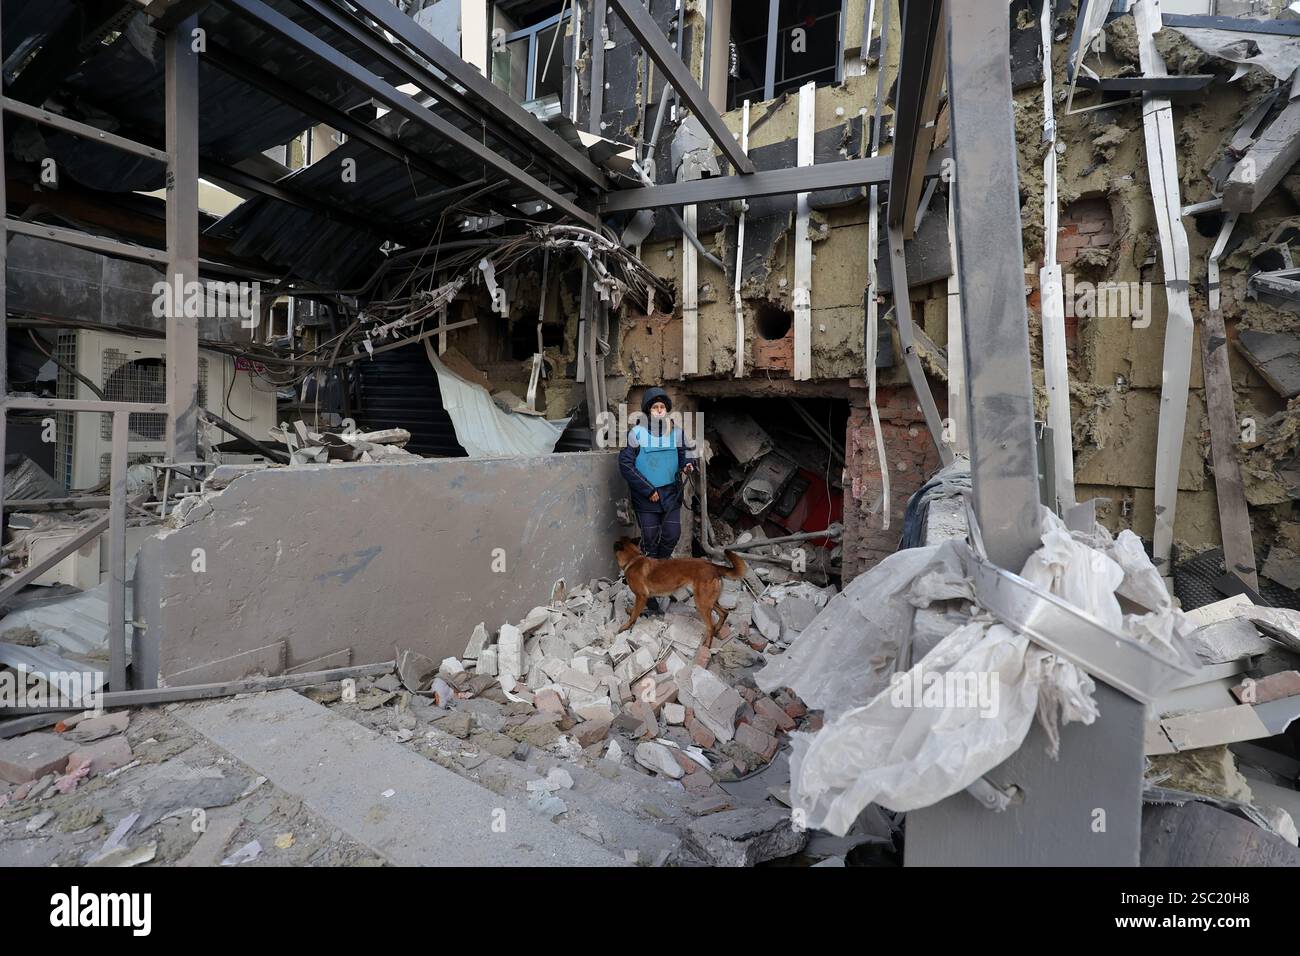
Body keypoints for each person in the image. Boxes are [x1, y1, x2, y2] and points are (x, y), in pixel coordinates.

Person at [618, 387, 694, 613]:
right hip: (646, 497)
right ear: (648, 411)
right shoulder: (636, 434)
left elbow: (685, 455)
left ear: (667, 410)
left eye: (662, 407)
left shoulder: (677, 433)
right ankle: (648, 592)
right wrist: (647, 489)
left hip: (670, 493)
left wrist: (689, 464)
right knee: (649, 538)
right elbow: (626, 464)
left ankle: (659, 571)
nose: (659, 410)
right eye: (655, 407)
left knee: (672, 534)